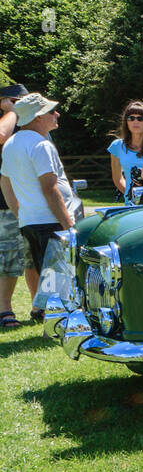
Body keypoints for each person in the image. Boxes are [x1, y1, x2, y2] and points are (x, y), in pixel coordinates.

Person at [0, 93, 82, 321]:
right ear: (37, 117)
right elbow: (49, 187)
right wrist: (68, 223)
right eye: (50, 111)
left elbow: (4, 182)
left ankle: (49, 320)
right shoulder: (41, 144)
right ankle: (54, 327)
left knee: (46, 276)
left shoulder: (11, 144)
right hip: (51, 221)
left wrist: (20, 212)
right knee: (57, 279)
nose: (56, 114)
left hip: (30, 221)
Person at [0, 83, 38, 326]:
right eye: (19, 102)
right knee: (9, 257)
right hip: (4, 202)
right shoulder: (6, 121)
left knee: (34, 255)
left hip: (32, 201)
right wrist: (12, 111)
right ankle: (4, 309)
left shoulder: (32, 124)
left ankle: (38, 307)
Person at [108, 100, 143, 205]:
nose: (135, 121)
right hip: (131, 206)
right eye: (131, 118)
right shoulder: (117, 146)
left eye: (140, 118)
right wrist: (131, 195)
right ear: (126, 121)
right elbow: (117, 178)